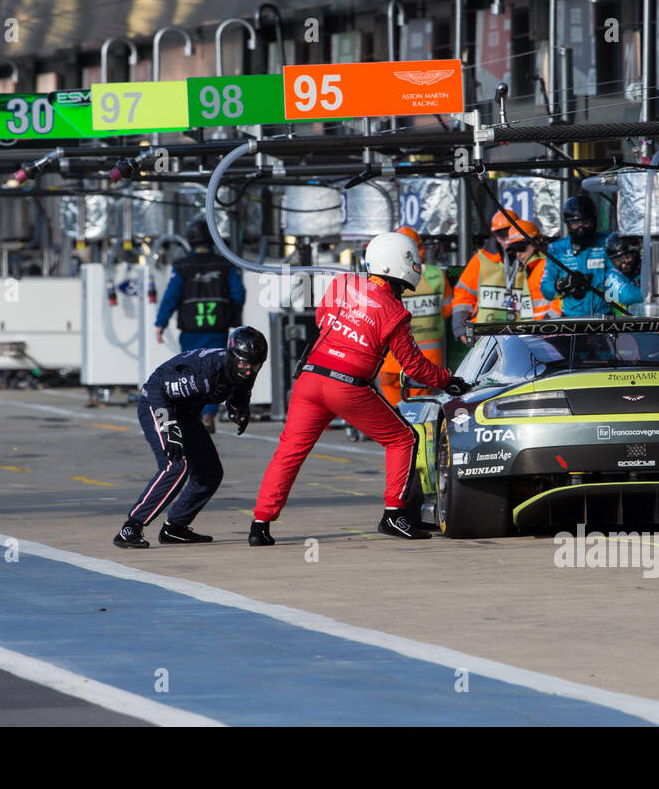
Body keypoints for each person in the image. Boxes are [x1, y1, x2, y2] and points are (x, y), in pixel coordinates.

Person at [251, 231, 470, 544]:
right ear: (401, 265)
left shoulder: (342, 284)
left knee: (288, 452)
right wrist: (449, 380)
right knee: (403, 438)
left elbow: (322, 319)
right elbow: (415, 367)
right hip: (348, 387)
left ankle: (260, 524)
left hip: (310, 380)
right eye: (413, 261)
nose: (417, 266)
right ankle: (393, 516)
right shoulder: (395, 313)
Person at [114, 326, 268, 548]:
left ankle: (175, 527)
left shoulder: (244, 370)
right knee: (176, 466)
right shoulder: (203, 372)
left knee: (210, 472)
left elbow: (241, 389)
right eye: (244, 363)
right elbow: (158, 390)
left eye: (254, 364)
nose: (248, 370)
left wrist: (238, 409)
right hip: (157, 405)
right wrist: (169, 428)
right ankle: (131, 527)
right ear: (232, 356)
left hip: (186, 414)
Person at [154, 219, 246, 433]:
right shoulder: (225, 265)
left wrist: (160, 323)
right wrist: (234, 316)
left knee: (191, 371)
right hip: (218, 328)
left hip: (190, 329)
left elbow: (171, 297)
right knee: (217, 370)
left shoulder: (181, 266)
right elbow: (238, 294)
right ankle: (209, 413)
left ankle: (193, 415)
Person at [378, 226, 453, 405]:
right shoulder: (437, 275)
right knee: (419, 413)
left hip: (390, 360)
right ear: (419, 250)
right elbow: (448, 310)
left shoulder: (381, 277)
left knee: (395, 414)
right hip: (426, 360)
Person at [452, 208, 529, 344]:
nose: (506, 240)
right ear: (496, 236)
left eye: (509, 234)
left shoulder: (529, 260)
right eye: (501, 235)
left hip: (521, 336)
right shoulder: (481, 259)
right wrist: (460, 328)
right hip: (483, 337)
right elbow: (463, 295)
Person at [539, 195, 610, 317]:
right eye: (576, 223)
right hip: (571, 318)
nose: (581, 228)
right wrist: (563, 283)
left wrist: (590, 280)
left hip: (605, 315)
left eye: (585, 222)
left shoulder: (607, 243)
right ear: (568, 224)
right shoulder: (556, 249)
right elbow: (546, 289)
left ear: (594, 221)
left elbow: (622, 277)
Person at [602, 233, 642, 312]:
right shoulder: (611, 274)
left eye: (627, 258)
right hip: (621, 323)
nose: (623, 265)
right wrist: (654, 295)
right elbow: (627, 295)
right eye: (617, 261)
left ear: (636, 253)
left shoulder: (650, 268)